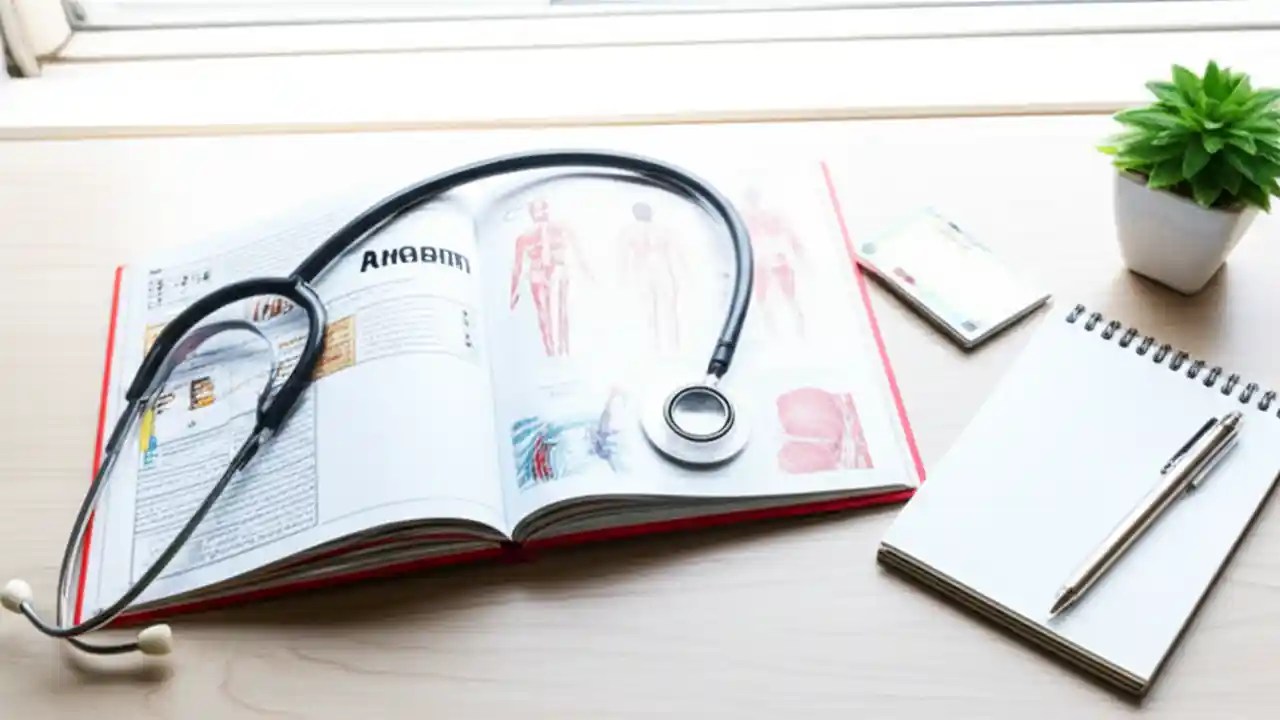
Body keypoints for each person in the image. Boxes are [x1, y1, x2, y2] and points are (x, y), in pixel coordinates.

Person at [508, 199, 590, 357]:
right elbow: (517, 266)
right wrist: (513, 292)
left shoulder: (562, 229)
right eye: (537, 211)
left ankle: (563, 349)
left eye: (543, 209)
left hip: (558, 272)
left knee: (561, 311)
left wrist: (587, 273)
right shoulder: (525, 237)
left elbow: (578, 253)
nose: (541, 214)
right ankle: (550, 350)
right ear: (532, 214)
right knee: (544, 314)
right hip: (538, 274)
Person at [617, 201, 684, 353]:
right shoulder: (663, 230)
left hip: (643, 271)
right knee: (670, 311)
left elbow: (622, 258)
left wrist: (623, 277)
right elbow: (677, 255)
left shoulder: (628, 231)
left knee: (649, 311)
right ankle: (674, 346)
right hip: (663, 270)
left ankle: (655, 347)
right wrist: (683, 275)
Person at [741, 187, 806, 338]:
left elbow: (790, 235)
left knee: (784, 300)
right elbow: (791, 236)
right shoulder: (753, 217)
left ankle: (797, 333)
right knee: (768, 301)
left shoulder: (765, 216)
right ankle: (777, 334)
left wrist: (799, 254)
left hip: (770, 261)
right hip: (765, 262)